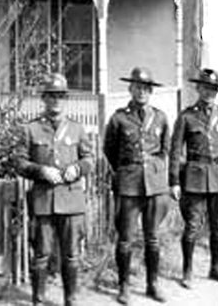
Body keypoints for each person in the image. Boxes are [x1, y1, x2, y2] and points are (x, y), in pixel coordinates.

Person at [13, 73, 94, 306]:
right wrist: (41, 171)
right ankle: (38, 300)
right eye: (51, 96)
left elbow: (89, 159)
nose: (55, 101)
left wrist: (77, 169)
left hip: (71, 201)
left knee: (71, 255)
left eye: (60, 96)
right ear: (44, 99)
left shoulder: (77, 129)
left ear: (65, 99)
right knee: (41, 255)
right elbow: (19, 162)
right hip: (44, 200)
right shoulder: (31, 129)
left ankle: (71, 299)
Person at [103, 67, 171, 304]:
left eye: (145, 88)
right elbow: (109, 150)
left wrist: (155, 170)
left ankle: (153, 284)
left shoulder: (161, 117)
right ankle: (124, 286)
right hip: (129, 185)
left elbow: (165, 149)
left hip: (155, 186)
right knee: (126, 239)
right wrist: (127, 170)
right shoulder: (119, 117)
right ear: (130, 89)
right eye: (137, 88)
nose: (141, 92)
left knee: (152, 238)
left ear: (150, 91)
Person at [169, 68, 218, 290]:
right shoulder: (187, 116)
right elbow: (175, 150)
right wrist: (174, 181)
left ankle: (216, 267)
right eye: (205, 88)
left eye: (213, 89)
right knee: (192, 226)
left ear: (217, 92)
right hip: (195, 178)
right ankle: (187, 271)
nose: (209, 92)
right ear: (198, 88)